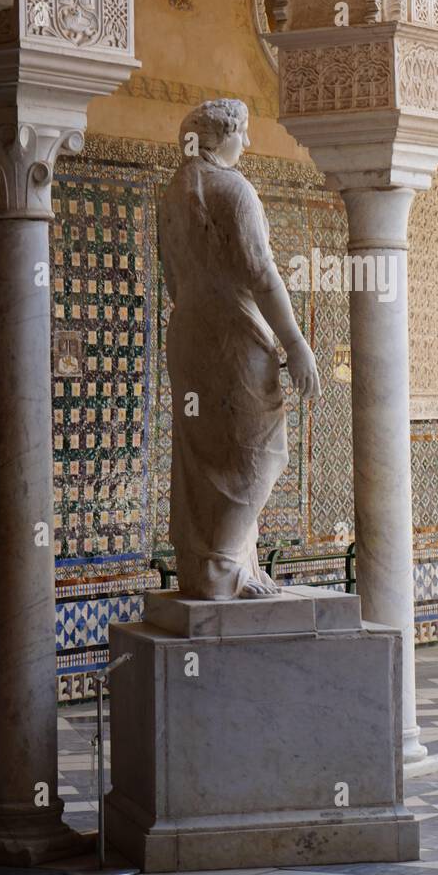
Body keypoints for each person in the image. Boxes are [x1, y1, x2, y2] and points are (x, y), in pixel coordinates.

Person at [159, 98, 321, 599]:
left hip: (189, 336)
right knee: (258, 450)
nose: (247, 143)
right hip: (235, 339)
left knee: (207, 450)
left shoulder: (171, 194)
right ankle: (224, 568)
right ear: (220, 135)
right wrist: (295, 343)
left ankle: (229, 565)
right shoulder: (235, 189)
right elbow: (263, 274)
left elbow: (170, 281)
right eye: (242, 133)